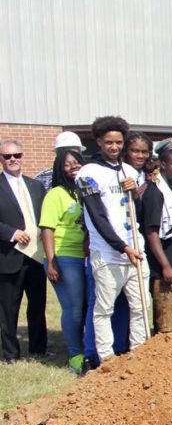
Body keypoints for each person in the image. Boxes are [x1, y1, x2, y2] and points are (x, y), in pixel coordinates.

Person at [76, 116, 148, 364]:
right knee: (104, 308)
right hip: (107, 253)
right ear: (98, 141)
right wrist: (122, 247)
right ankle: (105, 357)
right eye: (109, 142)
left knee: (141, 306)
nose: (114, 147)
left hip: (136, 249)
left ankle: (140, 352)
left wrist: (134, 193)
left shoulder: (130, 171)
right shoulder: (87, 173)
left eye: (118, 142)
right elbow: (97, 216)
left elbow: (138, 210)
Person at [0, 139, 47, 364]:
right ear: (1, 159)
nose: (12, 160)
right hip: (9, 256)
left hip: (36, 256)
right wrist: (11, 233)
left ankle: (39, 348)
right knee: (9, 309)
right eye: (7, 156)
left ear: (22, 156)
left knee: (38, 306)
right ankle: (10, 354)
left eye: (16, 155)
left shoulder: (36, 186)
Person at [40, 146, 86, 372]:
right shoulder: (55, 194)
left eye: (76, 162)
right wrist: (51, 261)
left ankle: (88, 351)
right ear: (60, 168)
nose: (73, 167)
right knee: (74, 309)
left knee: (86, 307)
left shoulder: (84, 191)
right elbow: (47, 229)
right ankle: (75, 356)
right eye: (67, 164)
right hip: (64, 256)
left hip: (86, 255)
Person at [141, 148, 172, 333]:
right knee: (166, 322)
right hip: (165, 269)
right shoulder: (155, 192)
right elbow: (151, 232)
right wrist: (165, 265)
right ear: (162, 165)